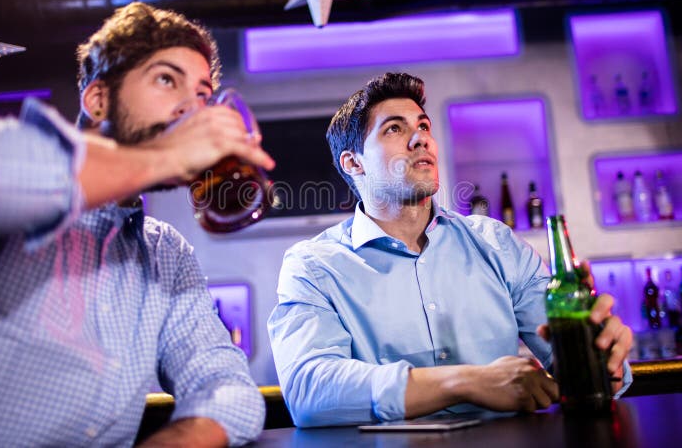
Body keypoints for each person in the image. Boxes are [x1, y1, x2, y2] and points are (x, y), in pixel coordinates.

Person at [0, 2, 275, 446]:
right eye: (166, 80)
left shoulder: (165, 254)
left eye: (202, 95)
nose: (191, 110)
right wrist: (163, 156)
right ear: (98, 101)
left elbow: (228, 386)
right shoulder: (12, 183)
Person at [267, 72, 633, 427]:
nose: (420, 139)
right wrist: (468, 382)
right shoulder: (313, 266)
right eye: (395, 128)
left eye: (423, 126)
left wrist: (601, 358)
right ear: (353, 162)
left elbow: (579, 367)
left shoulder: (496, 243)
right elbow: (309, 392)